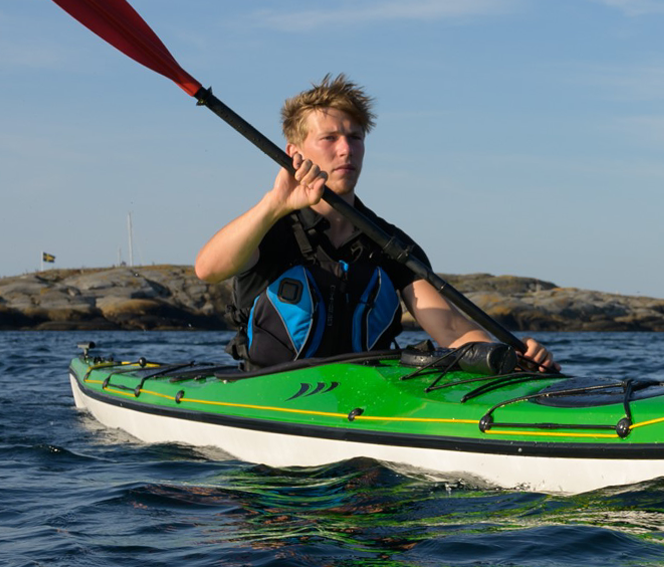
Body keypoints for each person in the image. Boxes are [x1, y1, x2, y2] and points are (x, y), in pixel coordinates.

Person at [194, 74, 557, 372]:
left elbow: (449, 328)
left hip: (365, 399)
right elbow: (208, 269)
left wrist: (511, 359)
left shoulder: (389, 243)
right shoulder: (269, 230)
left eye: (355, 137)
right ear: (295, 152)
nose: (346, 150)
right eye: (330, 138)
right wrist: (274, 203)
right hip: (269, 397)